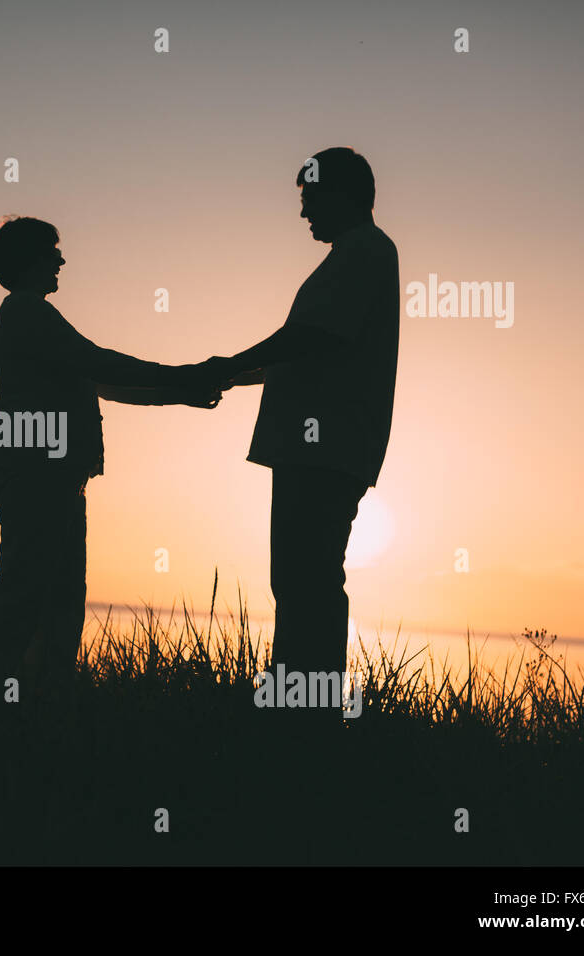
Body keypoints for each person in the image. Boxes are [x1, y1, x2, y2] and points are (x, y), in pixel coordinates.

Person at [0, 215, 224, 706]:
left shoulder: (33, 318)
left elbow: (103, 383)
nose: (61, 260)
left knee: (56, 598)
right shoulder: (26, 312)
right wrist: (184, 375)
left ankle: (33, 701)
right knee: (26, 593)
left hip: (55, 476)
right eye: (52, 252)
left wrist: (180, 392)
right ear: (32, 260)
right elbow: (100, 361)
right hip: (38, 472)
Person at [212, 147, 400, 698]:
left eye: (309, 199)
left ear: (342, 194)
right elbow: (302, 353)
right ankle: (300, 704)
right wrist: (232, 373)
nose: (304, 214)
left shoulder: (364, 251)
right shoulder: (353, 254)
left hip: (325, 449)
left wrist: (227, 365)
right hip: (315, 448)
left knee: (307, 581)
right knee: (300, 581)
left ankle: (306, 713)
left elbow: (312, 339)